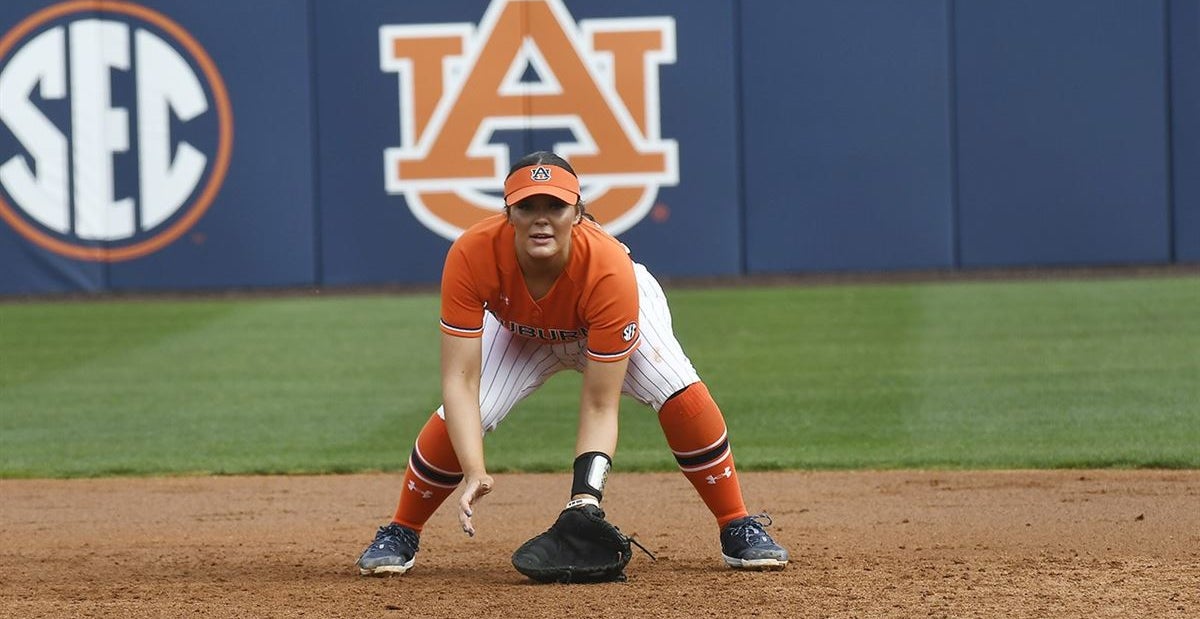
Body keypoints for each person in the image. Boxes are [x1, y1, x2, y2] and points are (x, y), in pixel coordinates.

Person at [356, 151, 788, 575]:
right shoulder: (472, 254)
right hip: (521, 331)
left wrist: (586, 498)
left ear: (577, 213)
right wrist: (474, 470)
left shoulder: (609, 269)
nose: (541, 218)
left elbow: (600, 404)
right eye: (527, 206)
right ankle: (401, 529)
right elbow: (460, 380)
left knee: (675, 386)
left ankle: (736, 523)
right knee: (466, 412)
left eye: (555, 206)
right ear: (508, 213)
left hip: (604, 318)